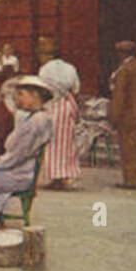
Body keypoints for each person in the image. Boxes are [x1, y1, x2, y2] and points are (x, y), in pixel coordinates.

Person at [0, 76, 52, 236]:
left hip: (19, 172)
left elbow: (18, 154)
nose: (17, 99)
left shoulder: (36, 122)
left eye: (21, 94)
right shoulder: (34, 117)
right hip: (21, 168)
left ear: (34, 96)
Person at [37, 38, 81, 190]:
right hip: (66, 108)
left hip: (51, 107)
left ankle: (55, 177)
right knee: (66, 145)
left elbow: (43, 91)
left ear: (47, 56)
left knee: (51, 145)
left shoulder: (45, 70)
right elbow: (76, 89)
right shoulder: (70, 68)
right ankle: (64, 177)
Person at [111, 36, 136, 189]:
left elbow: (119, 97)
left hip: (128, 116)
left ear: (121, 54)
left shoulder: (125, 71)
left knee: (128, 149)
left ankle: (131, 180)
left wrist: (114, 117)